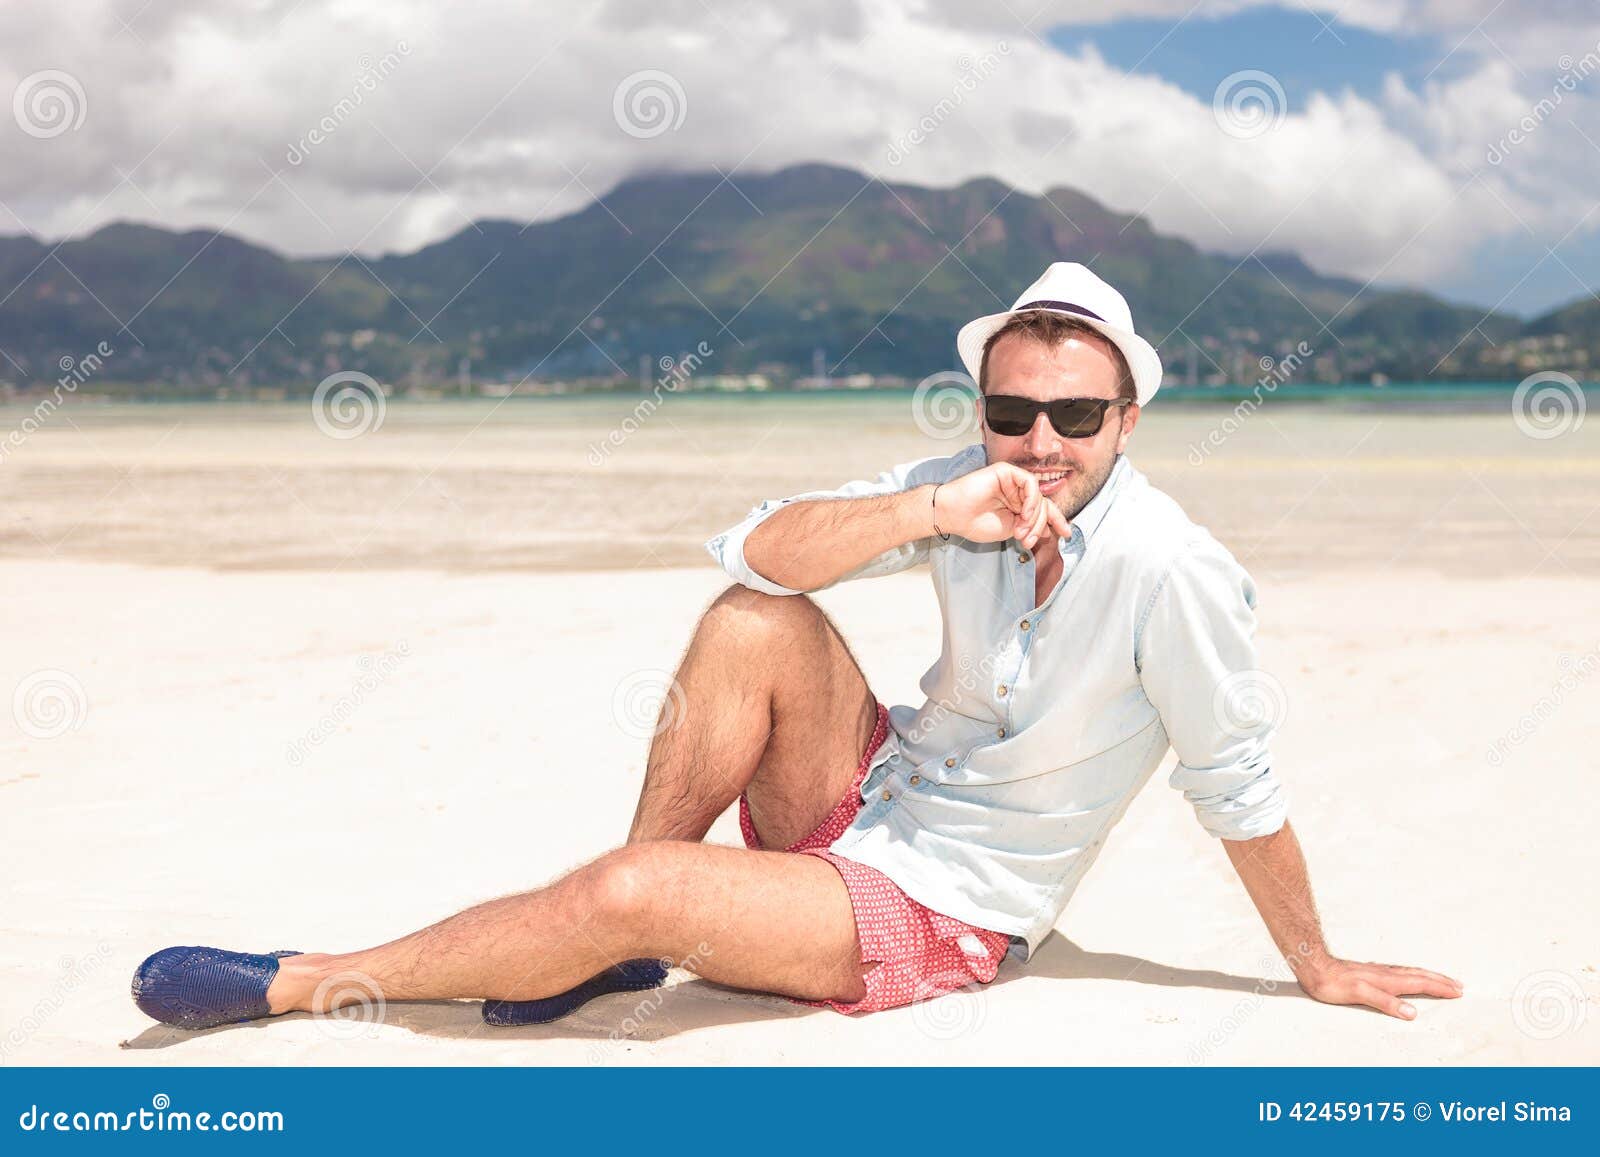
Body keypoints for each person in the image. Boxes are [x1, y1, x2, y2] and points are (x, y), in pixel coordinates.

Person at [131, 262, 1461, 1032]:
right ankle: (616, 950)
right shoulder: (976, 485)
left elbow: (1236, 785)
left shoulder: (1171, 570)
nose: (1039, 442)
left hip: (944, 903)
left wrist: (1317, 962)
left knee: (629, 887)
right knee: (751, 622)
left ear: (1129, 421)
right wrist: (943, 507)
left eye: (1074, 415)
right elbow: (755, 546)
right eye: (1011, 408)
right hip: (873, 792)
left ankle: (304, 981)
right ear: (985, 406)